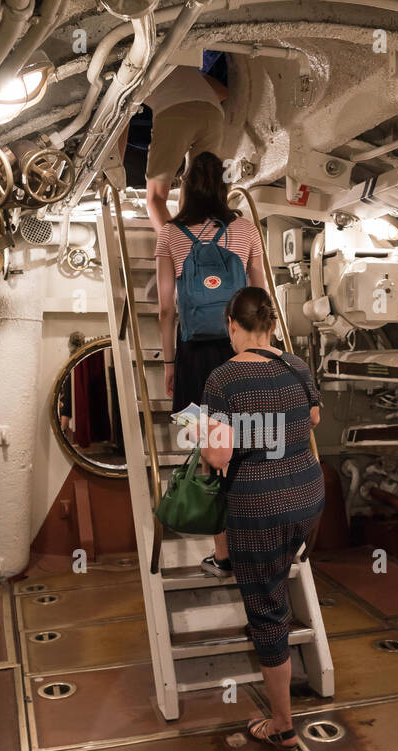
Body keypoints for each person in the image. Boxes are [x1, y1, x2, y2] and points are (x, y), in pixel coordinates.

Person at [198, 287, 325, 751]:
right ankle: (252, 572)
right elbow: (311, 418)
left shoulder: (223, 379)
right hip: (307, 496)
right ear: (271, 325)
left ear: (233, 324)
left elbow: (217, 454)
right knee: (276, 580)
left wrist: (202, 434)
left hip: (260, 506)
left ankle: (282, 726)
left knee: (268, 612)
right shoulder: (296, 365)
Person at [155, 151, 266, 578]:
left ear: (186, 185)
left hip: (196, 355)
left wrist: (169, 361)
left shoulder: (171, 234)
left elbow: (167, 308)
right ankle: (257, 539)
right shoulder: (244, 229)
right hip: (242, 351)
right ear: (224, 185)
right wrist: (265, 354)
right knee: (254, 442)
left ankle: (224, 556)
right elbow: (259, 299)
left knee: (212, 450)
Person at [140, 65, 226, 232]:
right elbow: (223, 92)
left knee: (155, 197)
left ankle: (177, 252)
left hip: (173, 110)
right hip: (213, 112)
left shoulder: (137, 64)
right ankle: (194, 245)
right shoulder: (184, 63)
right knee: (197, 195)